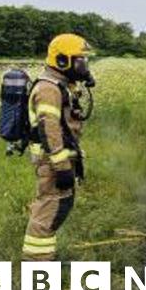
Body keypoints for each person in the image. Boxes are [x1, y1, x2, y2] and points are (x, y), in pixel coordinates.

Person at [23, 33, 93, 261]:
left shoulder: (60, 84)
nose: (84, 65)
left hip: (56, 161)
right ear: (63, 61)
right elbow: (49, 129)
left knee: (53, 209)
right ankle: (37, 268)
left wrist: (83, 80)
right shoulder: (48, 89)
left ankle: (44, 258)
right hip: (52, 163)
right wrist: (62, 166)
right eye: (81, 61)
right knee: (48, 213)